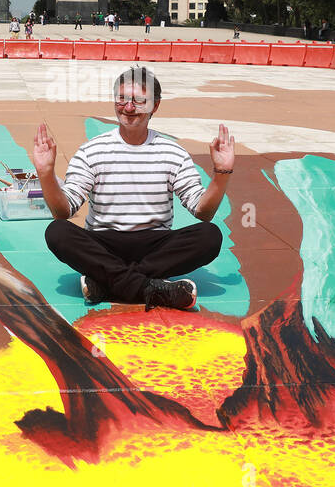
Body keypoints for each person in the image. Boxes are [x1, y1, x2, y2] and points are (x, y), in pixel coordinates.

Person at [34, 66, 233, 310]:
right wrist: (45, 175)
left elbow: (202, 212)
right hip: (104, 242)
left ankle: (110, 283)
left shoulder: (173, 153)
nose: (128, 107)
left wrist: (221, 174)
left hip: (155, 244)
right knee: (57, 232)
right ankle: (152, 288)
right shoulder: (92, 151)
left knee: (210, 236)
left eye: (139, 100)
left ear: (155, 106)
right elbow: (63, 212)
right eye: (122, 99)